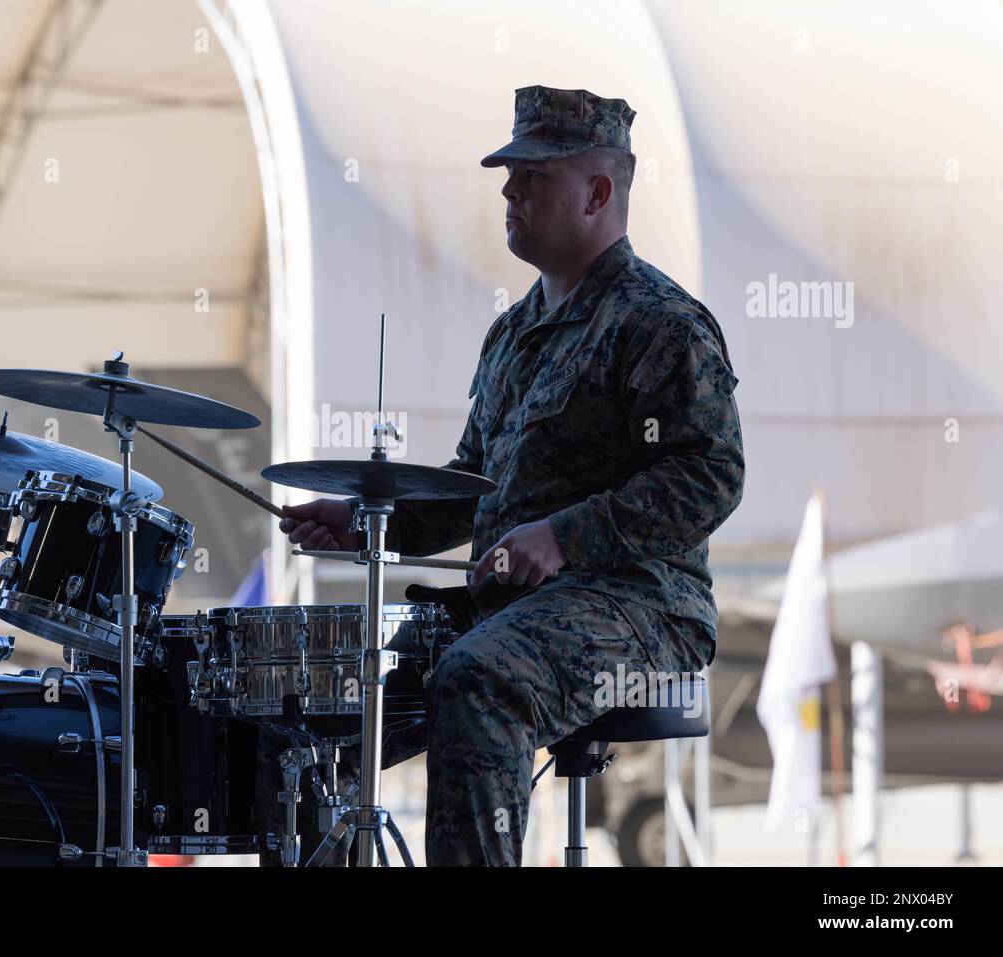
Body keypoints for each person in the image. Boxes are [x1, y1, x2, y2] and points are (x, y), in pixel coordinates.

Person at [269, 85, 745, 866]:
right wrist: (365, 520)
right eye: (509, 174)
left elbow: (712, 474)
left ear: (597, 193)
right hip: (513, 608)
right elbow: (473, 485)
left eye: (534, 176)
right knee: (314, 694)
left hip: (645, 607)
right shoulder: (512, 335)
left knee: (479, 680)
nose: (509, 189)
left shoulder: (658, 322)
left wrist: (568, 535)